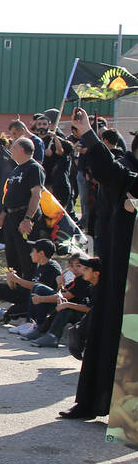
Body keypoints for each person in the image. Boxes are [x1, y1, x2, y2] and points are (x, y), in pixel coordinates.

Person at [61, 115, 137, 420]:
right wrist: (90, 137)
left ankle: (127, 416)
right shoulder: (128, 166)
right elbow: (114, 175)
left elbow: (117, 176)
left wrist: (92, 138)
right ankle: (92, 402)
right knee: (105, 332)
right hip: (118, 267)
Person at [0, 238, 61, 327]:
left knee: (13, 311)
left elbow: (40, 287)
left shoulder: (52, 268)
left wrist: (18, 280)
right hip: (29, 296)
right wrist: (12, 281)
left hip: (41, 302)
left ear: (41, 253)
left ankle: (6, 315)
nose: (30, 254)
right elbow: (28, 285)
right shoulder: (40, 265)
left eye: (33, 251)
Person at [0, 132, 44, 278]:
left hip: (24, 216)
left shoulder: (34, 168)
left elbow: (36, 195)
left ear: (22, 150)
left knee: (26, 256)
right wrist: (1, 217)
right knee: (12, 257)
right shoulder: (16, 169)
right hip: (11, 217)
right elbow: (10, 197)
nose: (10, 150)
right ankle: (15, 290)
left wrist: (28, 219)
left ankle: (27, 291)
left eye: (13, 147)